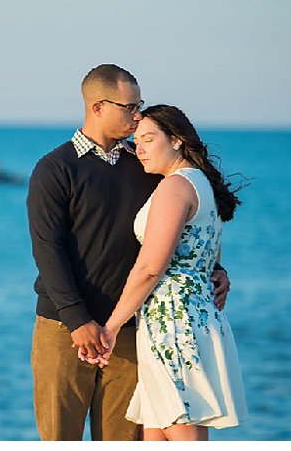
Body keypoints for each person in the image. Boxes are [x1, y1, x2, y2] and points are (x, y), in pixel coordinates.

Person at [26, 64, 231, 441]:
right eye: (129, 107)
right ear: (98, 107)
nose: (137, 116)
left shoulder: (146, 164)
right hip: (63, 329)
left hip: (131, 330)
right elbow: (47, 248)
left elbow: (181, 223)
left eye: (140, 105)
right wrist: (78, 320)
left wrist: (214, 267)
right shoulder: (55, 169)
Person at [81, 104, 248, 441]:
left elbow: (149, 268)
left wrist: (111, 327)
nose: (140, 149)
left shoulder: (175, 187)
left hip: (172, 323)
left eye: (148, 139)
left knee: (181, 426)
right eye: (136, 142)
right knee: (157, 432)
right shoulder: (201, 184)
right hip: (190, 316)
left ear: (176, 140)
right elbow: (207, 254)